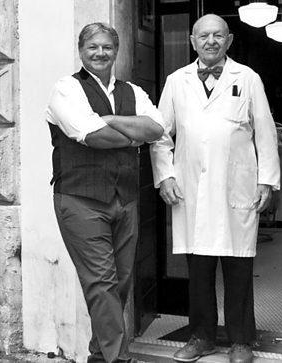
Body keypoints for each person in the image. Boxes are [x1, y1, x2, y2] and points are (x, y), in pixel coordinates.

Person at [151, 14, 281, 363]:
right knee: (199, 268)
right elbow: (160, 134)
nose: (211, 41)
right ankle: (201, 336)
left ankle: (241, 341)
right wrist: (165, 176)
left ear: (229, 40)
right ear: (192, 41)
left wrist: (267, 179)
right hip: (190, 186)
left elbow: (265, 131)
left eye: (218, 35)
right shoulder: (176, 81)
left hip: (236, 183)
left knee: (238, 264)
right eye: (203, 35)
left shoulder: (248, 78)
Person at [46, 22, 166, 363]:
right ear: (81, 50)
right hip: (80, 199)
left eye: (107, 47)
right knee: (100, 281)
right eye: (92, 47)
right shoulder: (66, 89)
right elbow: (90, 135)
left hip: (125, 198)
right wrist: (131, 133)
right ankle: (118, 359)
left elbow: (156, 128)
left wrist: (108, 119)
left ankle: (100, 355)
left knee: (122, 281)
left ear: (117, 51)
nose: (100, 53)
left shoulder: (133, 91)